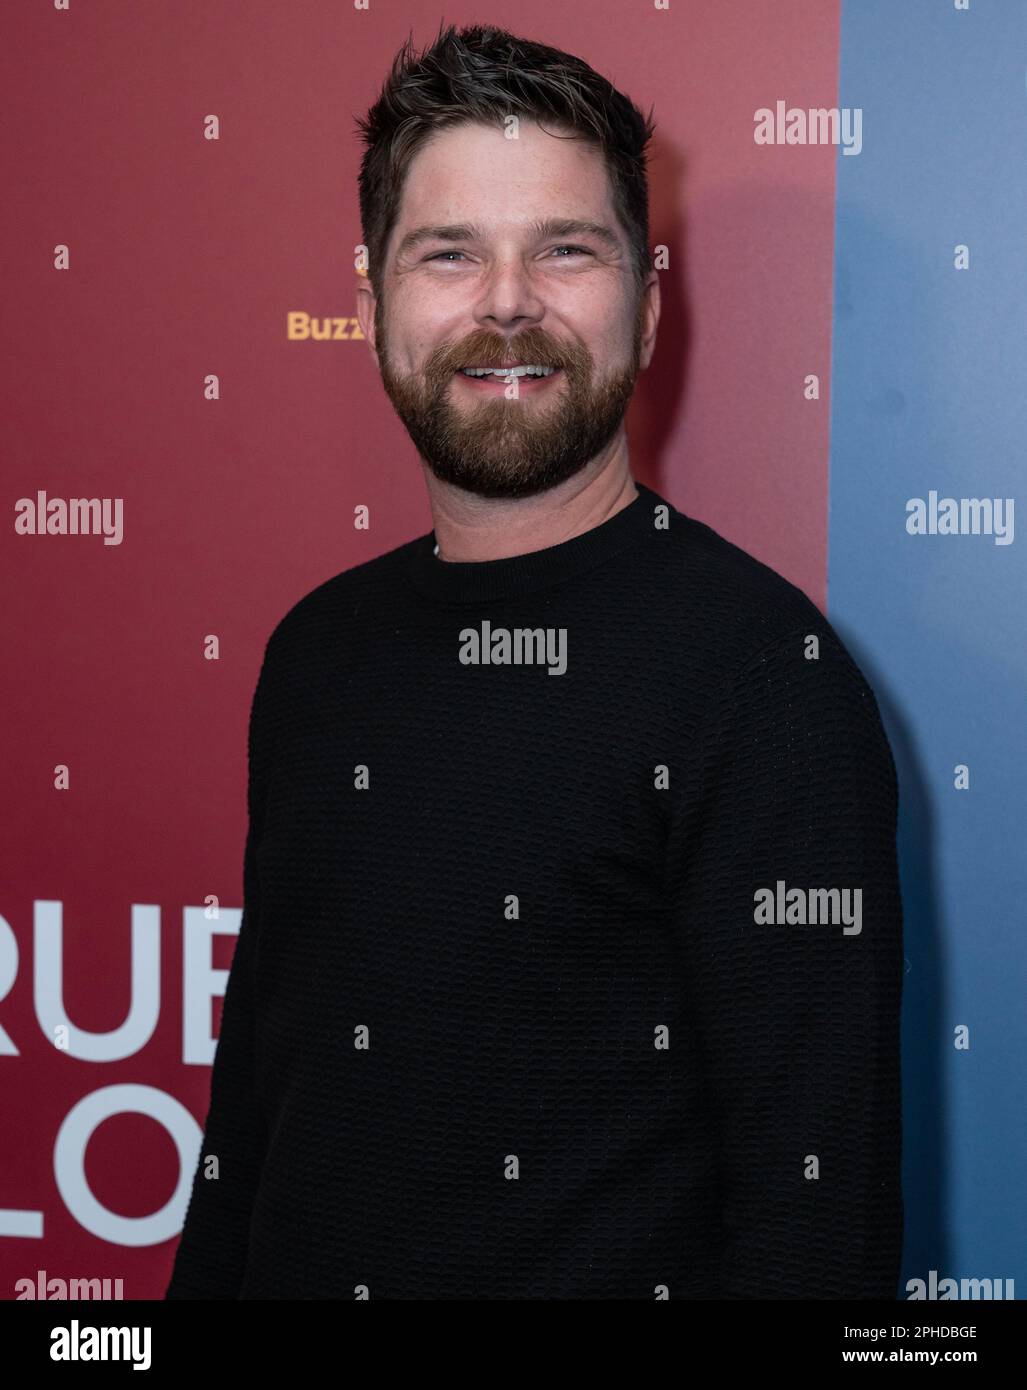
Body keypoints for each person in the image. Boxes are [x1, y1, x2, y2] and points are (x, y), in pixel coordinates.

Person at [166, 23, 903, 1300]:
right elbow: (255, 1120)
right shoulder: (313, 654)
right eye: (448, 254)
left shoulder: (765, 681)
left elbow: (814, 1238)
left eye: (565, 249)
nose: (506, 302)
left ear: (649, 305)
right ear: (369, 305)